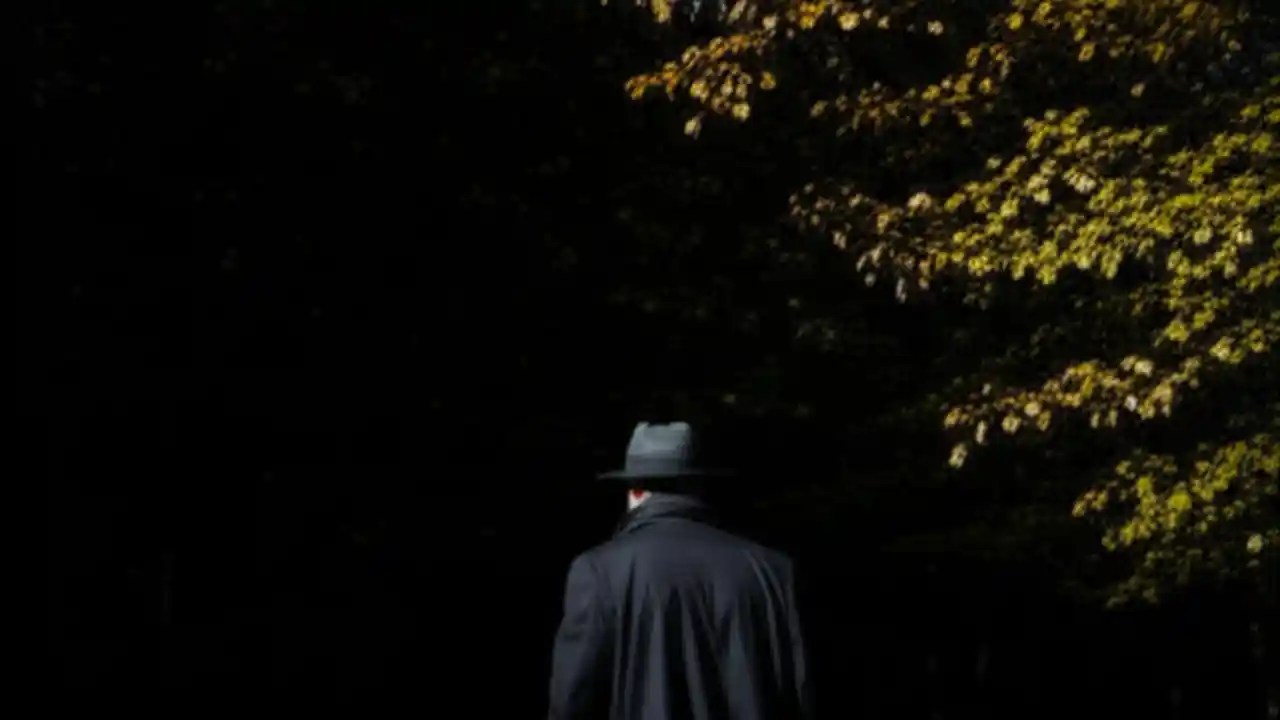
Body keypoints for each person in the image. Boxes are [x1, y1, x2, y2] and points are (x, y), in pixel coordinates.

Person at [548, 421, 815, 719]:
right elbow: (802, 689)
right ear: (700, 486)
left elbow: (573, 696)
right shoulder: (772, 569)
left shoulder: (598, 570)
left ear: (634, 491)